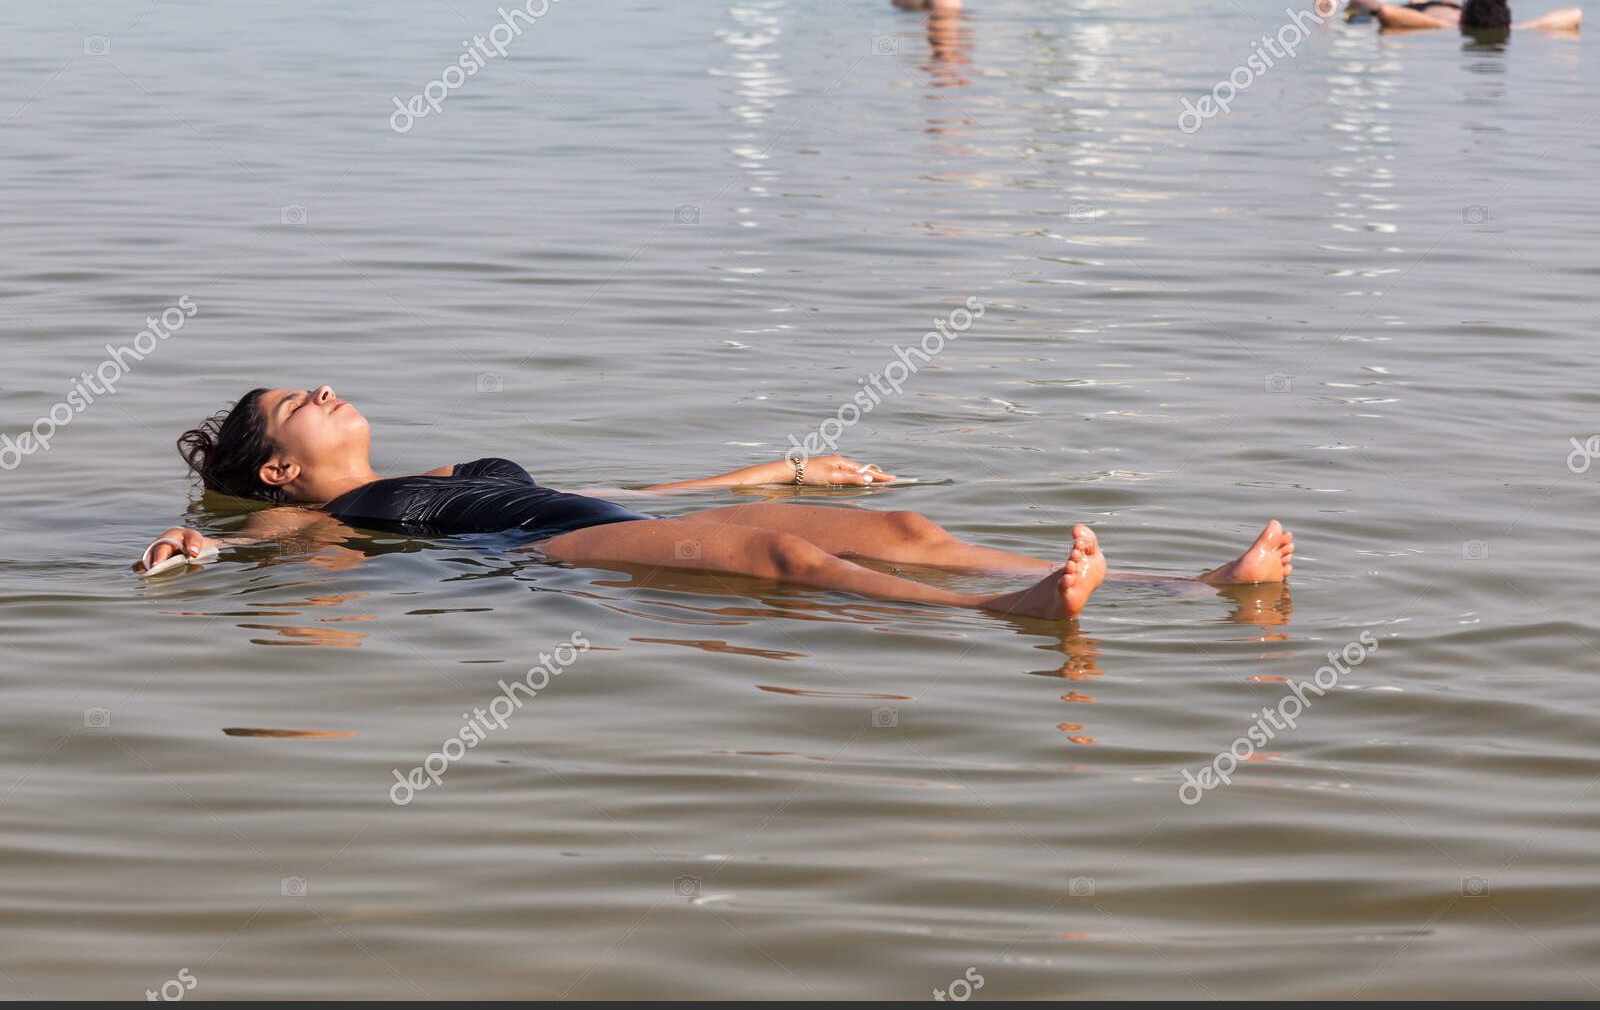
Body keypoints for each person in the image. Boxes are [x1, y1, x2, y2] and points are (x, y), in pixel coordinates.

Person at [132, 385, 1295, 622]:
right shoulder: (324, 519)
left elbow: (627, 489)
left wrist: (772, 471)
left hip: (583, 512)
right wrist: (202, 549)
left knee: (901, 531)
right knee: (778, 559)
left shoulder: (439, 475)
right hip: (549, 554)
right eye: (295, 402)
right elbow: (257, 550)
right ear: (276, 467)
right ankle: (1009, 613)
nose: (325, 390)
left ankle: (1188, 584)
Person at [1323, 0, 1580, 33]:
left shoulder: (1446, 25)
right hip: (1440, 9)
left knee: (1368, 5)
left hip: (1431, 11)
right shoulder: (1507, 24)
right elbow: (1574, 15)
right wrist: (1522, 27)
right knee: (1364, 3)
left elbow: (1387, 13)